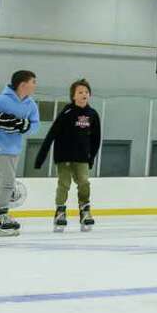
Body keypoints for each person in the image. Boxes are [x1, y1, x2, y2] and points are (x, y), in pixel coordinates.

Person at [0, 70, 40, 237]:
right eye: (33, 81)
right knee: (8, 182)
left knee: (8, 183)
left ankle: (3, 215)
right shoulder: (2, 99)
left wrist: (23, 125)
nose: (35, 85)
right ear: (23, 84)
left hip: (14, 149)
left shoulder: (31, 104)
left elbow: (35, 125)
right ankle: (0, 217)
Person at [34, 78, 101, 232]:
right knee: (64, 184)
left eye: (86, 92)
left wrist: (91, 158)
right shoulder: (66, 112)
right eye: (80, 92)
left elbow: (96, 138)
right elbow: (51, 134)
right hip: (64, 156)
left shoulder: (92, 114)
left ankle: (85, 210)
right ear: (73, 96)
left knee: (84, 182)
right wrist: (40, 158)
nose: (84, 94)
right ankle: (60, 212)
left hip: (82, 157)